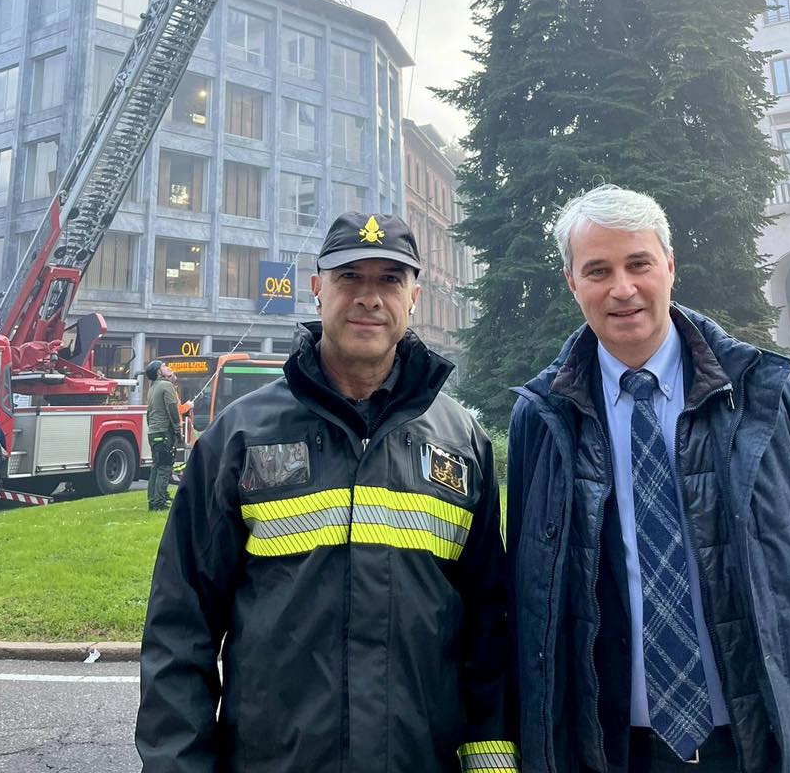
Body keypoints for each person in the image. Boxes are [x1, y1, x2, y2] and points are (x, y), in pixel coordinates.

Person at [507, 184, 790, 773]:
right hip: (614, 750)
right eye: (597, 270)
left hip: (765, 746)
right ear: (573, 284)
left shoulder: (767, 398)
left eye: (638, 264)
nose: (622, 288)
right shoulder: (542, 419)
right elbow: (532, 610)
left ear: (670, 266)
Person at [136, 211, 517, 773]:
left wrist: (491, 760)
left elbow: (490, 623)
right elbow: (180, 623)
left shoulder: (462, 443)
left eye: (389, 279)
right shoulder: (239, 438)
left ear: (415, 296)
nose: (369, 297)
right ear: (317, 290)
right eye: (349, 278)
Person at [144, 359, 181, 512]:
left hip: (153, 432)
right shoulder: (166, 386)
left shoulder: (153, 387)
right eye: (164, 366)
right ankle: (159, 502)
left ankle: (153, 500)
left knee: (156, 466)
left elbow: (149, 413)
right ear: (159, 372)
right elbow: (172, 409)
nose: (168, 367)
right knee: (165, 468)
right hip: (164, 432)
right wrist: (178, 430)